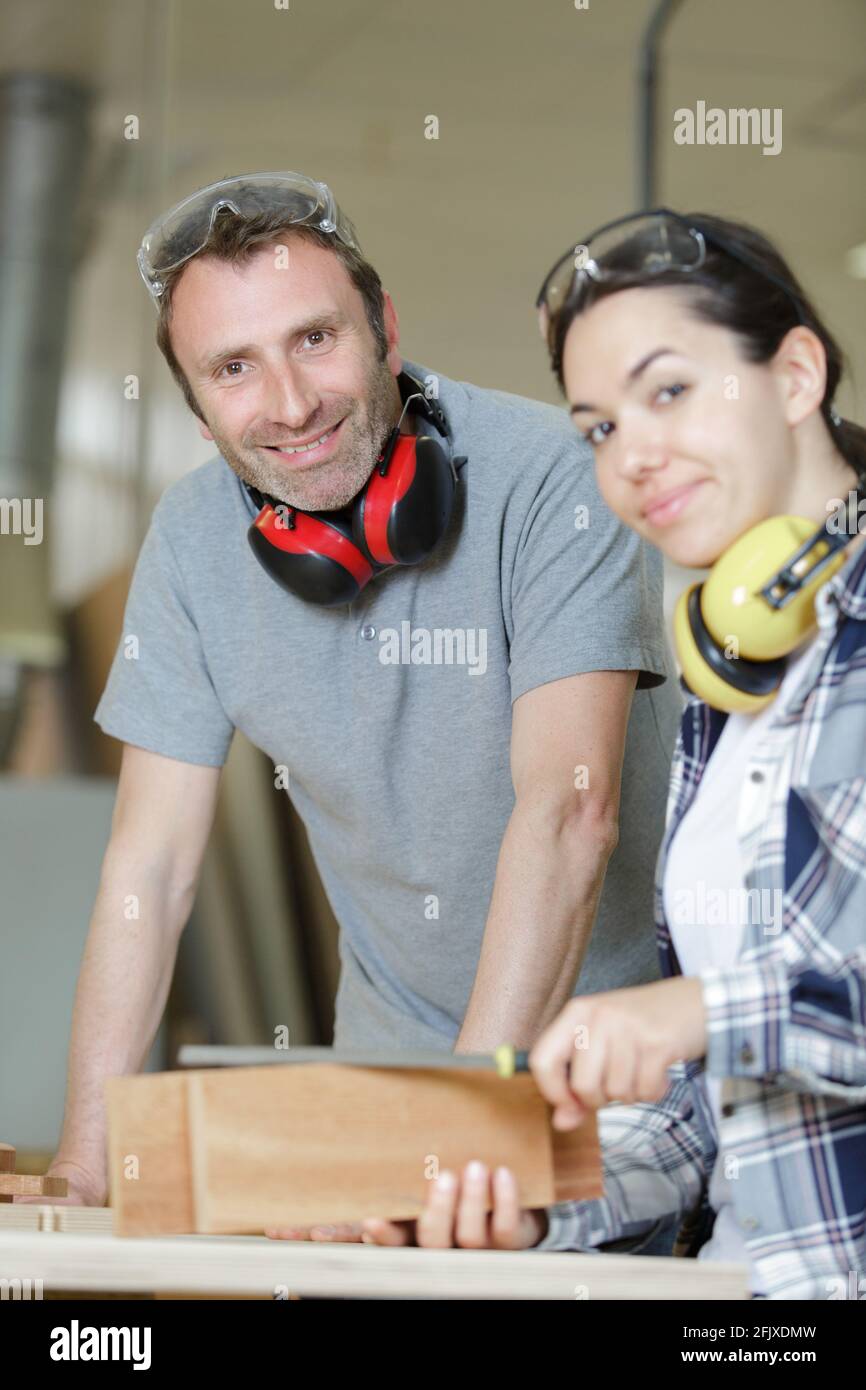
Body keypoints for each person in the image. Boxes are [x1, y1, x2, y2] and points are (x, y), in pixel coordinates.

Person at [38, 175, 682, 1210]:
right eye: (233, 368)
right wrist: (83, 1157)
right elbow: (149, 869)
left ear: (382, 326)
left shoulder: (550, 479)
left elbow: (568, 812)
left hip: (620, 1061)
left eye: (315, 339)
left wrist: (462, 1137)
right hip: (393, 1071)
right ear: (198, 407)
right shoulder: (192, 544)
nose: (290, 405)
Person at [346, 209, 866, 1301]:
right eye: (595, 426)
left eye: (666, 390)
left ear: (793, 374)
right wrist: (534, 1198)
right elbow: (708, 1114)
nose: (630, 456)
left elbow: (721, 1020)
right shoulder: (725, 696)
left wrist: (698, 1009)